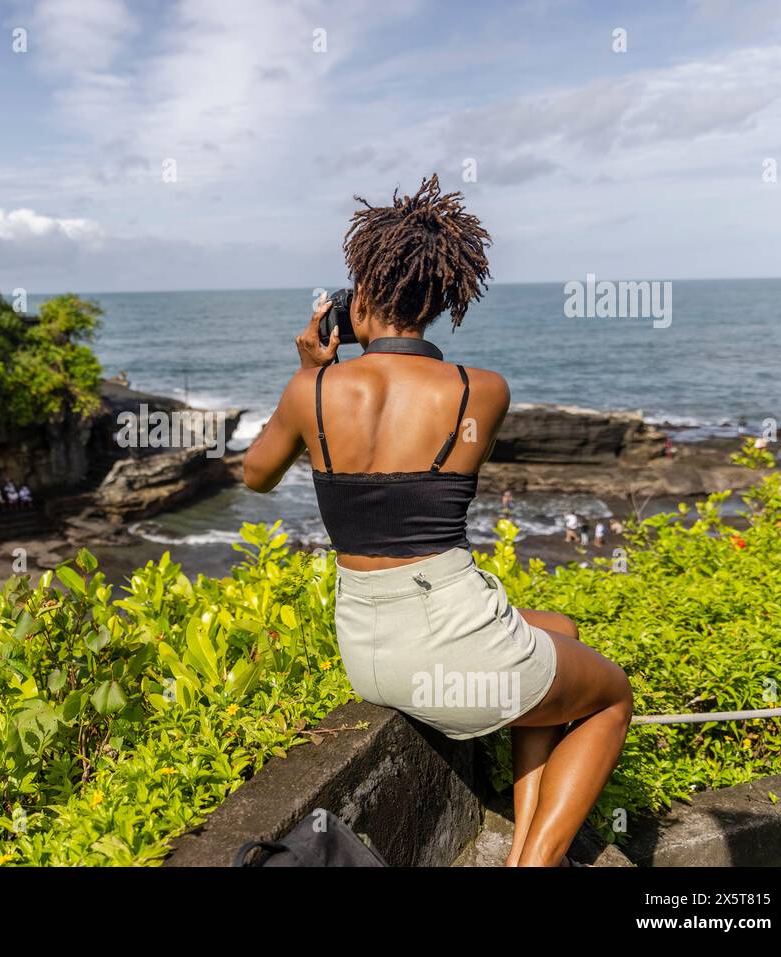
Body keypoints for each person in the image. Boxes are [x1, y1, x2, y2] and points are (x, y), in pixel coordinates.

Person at [240, 176, 631, 867]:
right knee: (611, 695)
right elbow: (409, 415)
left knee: (559, 629)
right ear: (449, 297)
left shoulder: (314, 390)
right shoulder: (484, 390)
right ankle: (535, 863)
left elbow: (256, 473)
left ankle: (524, 840)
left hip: (371, 653)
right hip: (457, 642)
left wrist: (311, 370)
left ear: (359, 294)